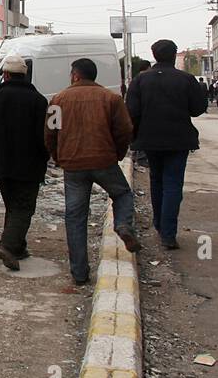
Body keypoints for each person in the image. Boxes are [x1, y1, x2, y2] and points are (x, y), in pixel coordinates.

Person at [45, 58, 140, 286]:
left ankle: (79, 273)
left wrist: (59, 157)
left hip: (73, 165)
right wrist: (116, 153)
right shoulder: (111, 99)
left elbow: (50, 134)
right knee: (122, 194)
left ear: (75, 75)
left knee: (75, 217)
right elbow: (125, 130)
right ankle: (123, 224)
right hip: (103, 160)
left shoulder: (58, 100)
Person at [126, 40, 206, 250]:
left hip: (150, 140)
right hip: (179, 140)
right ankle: (168, 234)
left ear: (154, 55)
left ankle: (160, 225)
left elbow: (131, 112)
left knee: (157, 181)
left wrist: (133, 138)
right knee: (173, 184)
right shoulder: (186, 79)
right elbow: (198, 108)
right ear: (173, 55)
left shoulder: (140, 81)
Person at [0, 54, 50, 270]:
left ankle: (18, 246)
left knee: (12, 205)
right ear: (24, 75)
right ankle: (8, 245)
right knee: (24, 207)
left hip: (0, 164)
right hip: (29, 165)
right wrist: (44, 158)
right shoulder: (38, 101)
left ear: (5, 75)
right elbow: (42, 137)